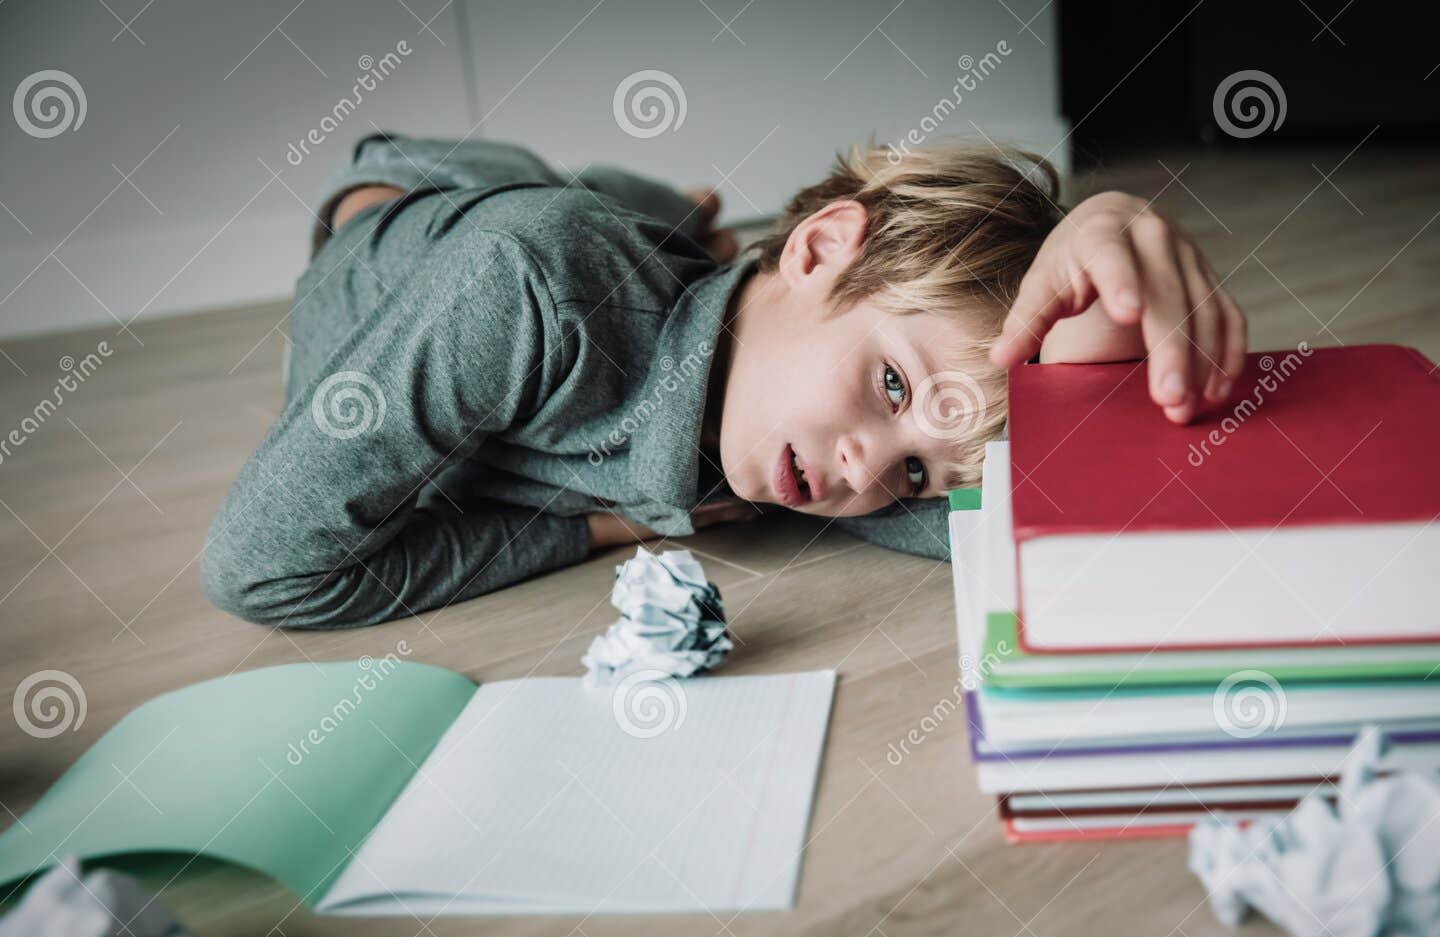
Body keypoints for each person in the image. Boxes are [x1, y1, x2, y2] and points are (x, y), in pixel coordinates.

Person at [201, 132, 1244, 628]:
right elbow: (264, 571)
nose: (866, 476)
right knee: (551, 205)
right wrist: (609, 528)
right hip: (410, 225)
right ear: (822, 247)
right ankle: (669, 218)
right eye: (889, 385)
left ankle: (690, 232)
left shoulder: (836, 452)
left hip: (653, 265)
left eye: (917, 473)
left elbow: (1056, 507)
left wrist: (1103, 257)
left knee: (642, 229)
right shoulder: (526, 283)